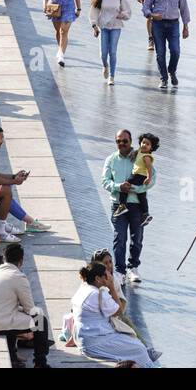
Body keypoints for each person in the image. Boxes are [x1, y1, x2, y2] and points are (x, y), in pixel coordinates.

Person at [0, 243, 51, 367]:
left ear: (4, 258)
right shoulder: (18, 277)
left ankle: (13, 356)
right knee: (41, 320)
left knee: (13, 316)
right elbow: (30, 309)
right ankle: (40, 362)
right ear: (21, 261)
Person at [69, 261, 155, 367]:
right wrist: (112, 287)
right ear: (98, 278)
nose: (110, 275)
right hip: (95, 342)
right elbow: (119, 311)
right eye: (106, 274)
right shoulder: (97, 294)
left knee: (133, 342)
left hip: (84, 339)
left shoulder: (83, 288)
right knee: (139, 349)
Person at [102, 130, 156, 283]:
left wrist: (136, 189)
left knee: (137, 238)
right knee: (120, 238)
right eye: (118, 141)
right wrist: (119, 187)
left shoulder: (140, 155)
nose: (122, 144)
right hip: (118, 205)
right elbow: (105, 181)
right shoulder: (111, 160)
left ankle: (133, 268)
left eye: (125, 141)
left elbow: (152, 177)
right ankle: (120, 271)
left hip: (137, 206)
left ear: (131, 141)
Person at [141, 0, 190, 90]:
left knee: (175, 51)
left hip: (173, 24)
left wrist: (185, 26)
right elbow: (145, 7)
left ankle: (172, 71)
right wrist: (152, 15)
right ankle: (163, 78)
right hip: (158, 25)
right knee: (160, 53)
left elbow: (184, 8)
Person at [90, 0, 131, 85]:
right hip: (103, 27)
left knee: (112, 51)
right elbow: (94, 11)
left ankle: (112, 76)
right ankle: (105, 66)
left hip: (116, 26)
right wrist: (94, 25)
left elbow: (128, 11)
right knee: (103, 53)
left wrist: (121, 15)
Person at [44, 0, 79, 66]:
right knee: (58, 30)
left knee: (64, 31)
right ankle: (60, 48)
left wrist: (79, 8)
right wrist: (45, 6)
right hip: (55, 6)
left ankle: (61, 55)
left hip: (69, 5)